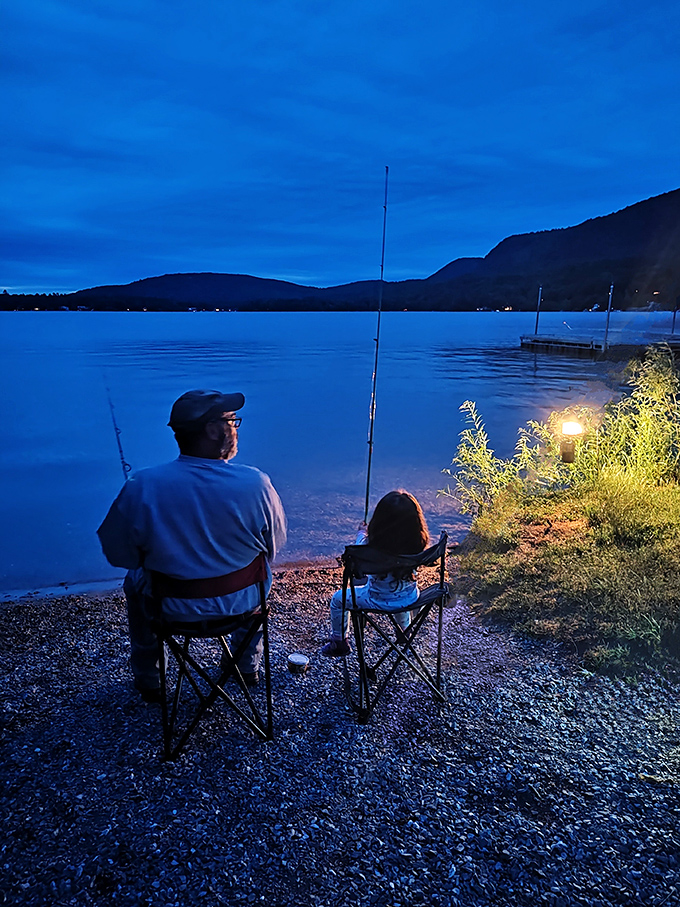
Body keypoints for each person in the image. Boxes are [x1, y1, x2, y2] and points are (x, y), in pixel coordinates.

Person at [97, 388, 286, 702]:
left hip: (172, 607)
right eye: (231, 421)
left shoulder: (143, 486)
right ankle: (245, 665)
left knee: (134, 581)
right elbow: (273, 545)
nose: (235, 429)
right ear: (212, 430)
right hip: (240, 604)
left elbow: (118, 554)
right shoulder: (257, 485)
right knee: (259, 568)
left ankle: (151, 679)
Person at [321, 490, 429, 657]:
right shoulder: (417, 544)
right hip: (410, 598)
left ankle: (339, 642)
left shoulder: (372, 545)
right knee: (399, 594)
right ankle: (404, 631)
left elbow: (360, 551)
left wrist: (361, 533)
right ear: (416, 522)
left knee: (337, 600)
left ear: (379, 521)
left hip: (376, 599)